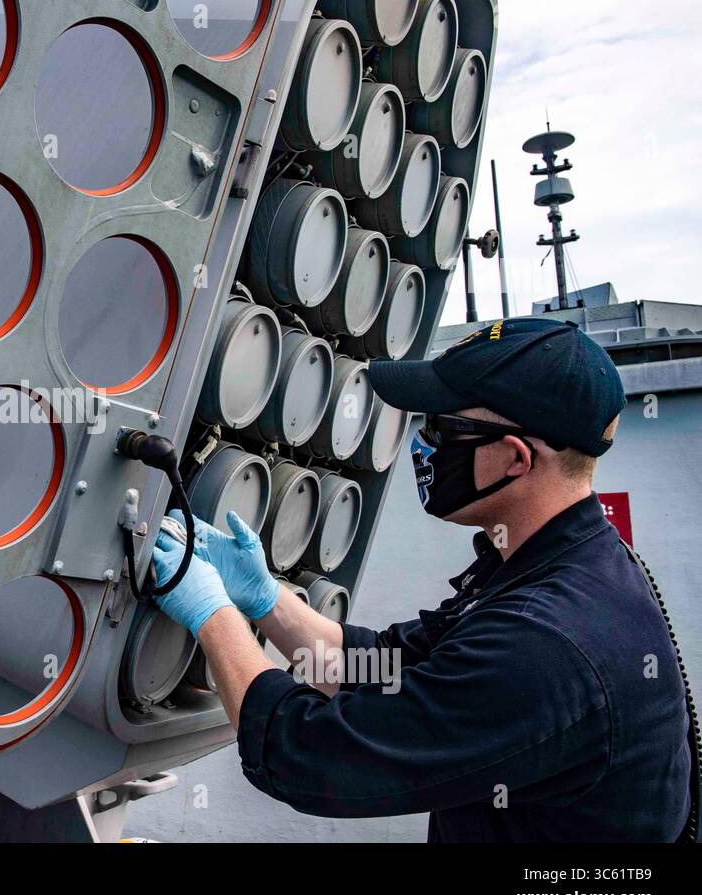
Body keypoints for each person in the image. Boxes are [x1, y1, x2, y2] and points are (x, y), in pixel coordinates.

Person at [152, 317, 693, 841]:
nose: (423, 443)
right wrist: (266, 599)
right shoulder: (553, 565)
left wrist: (213, 614)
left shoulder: (545, 642)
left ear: (513, 458)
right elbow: (386, 666)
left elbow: (308, 756)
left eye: (441, 427)